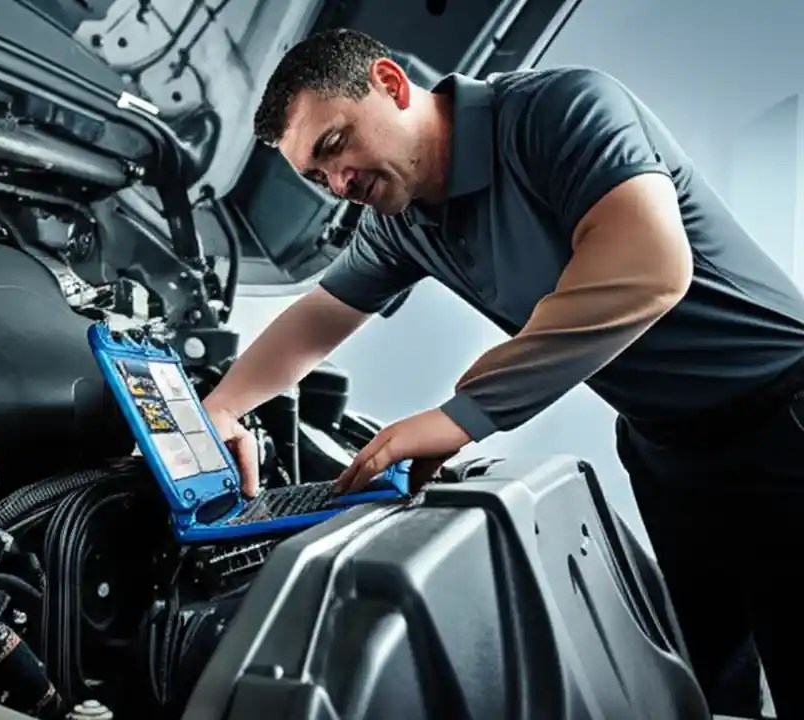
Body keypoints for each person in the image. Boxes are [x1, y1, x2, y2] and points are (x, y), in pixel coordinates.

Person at [201, 27, 804, 718]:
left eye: (335, 146)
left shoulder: (560, 111)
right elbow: (318, 317)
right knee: (698, 684)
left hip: (785, 419)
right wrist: (220, 408)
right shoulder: (401, 223)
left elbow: (648, 267)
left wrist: (460, 416)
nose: (339, 185)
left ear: (391, 85)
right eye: (316, 176)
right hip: (667, 449)